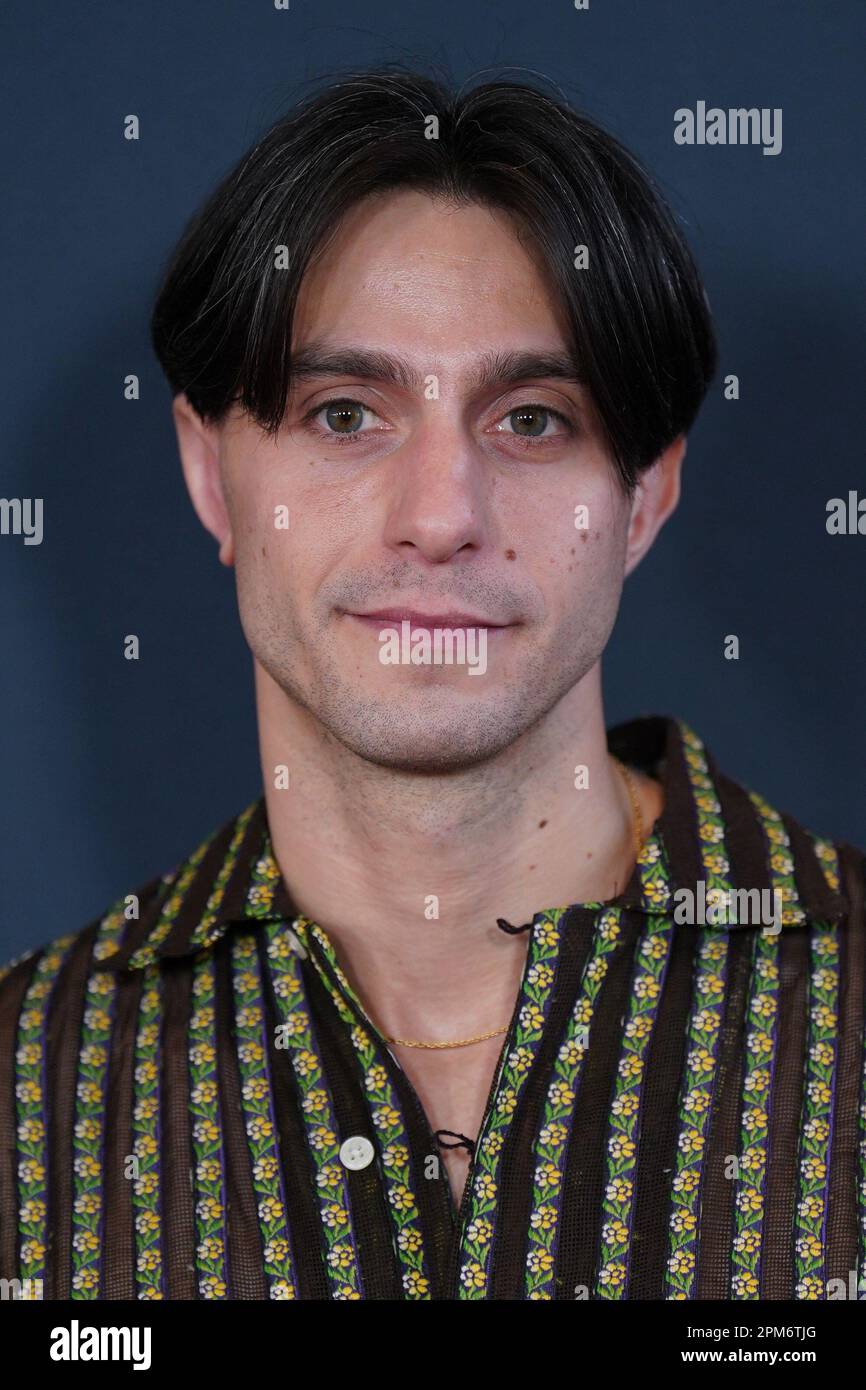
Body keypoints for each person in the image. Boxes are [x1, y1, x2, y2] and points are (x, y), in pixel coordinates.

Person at [1, 67, 862, 1303]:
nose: (441, 517)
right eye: (345, 414)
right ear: (209, 475)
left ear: (645, 495)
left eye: (530, 419)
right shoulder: (24, 1078)